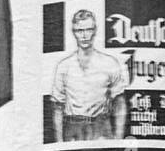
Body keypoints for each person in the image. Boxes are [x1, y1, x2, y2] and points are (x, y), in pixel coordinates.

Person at [51, 10, 127, 142]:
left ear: (95, 30)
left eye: (89, 30)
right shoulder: (64, 66)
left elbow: (119, 102)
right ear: (74, 32)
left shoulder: (109, 63)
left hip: (101, 127)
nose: (85, 35)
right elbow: (57, 107)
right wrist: (58, 143)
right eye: (80, 31)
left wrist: (119, 139)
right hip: (74, 128)